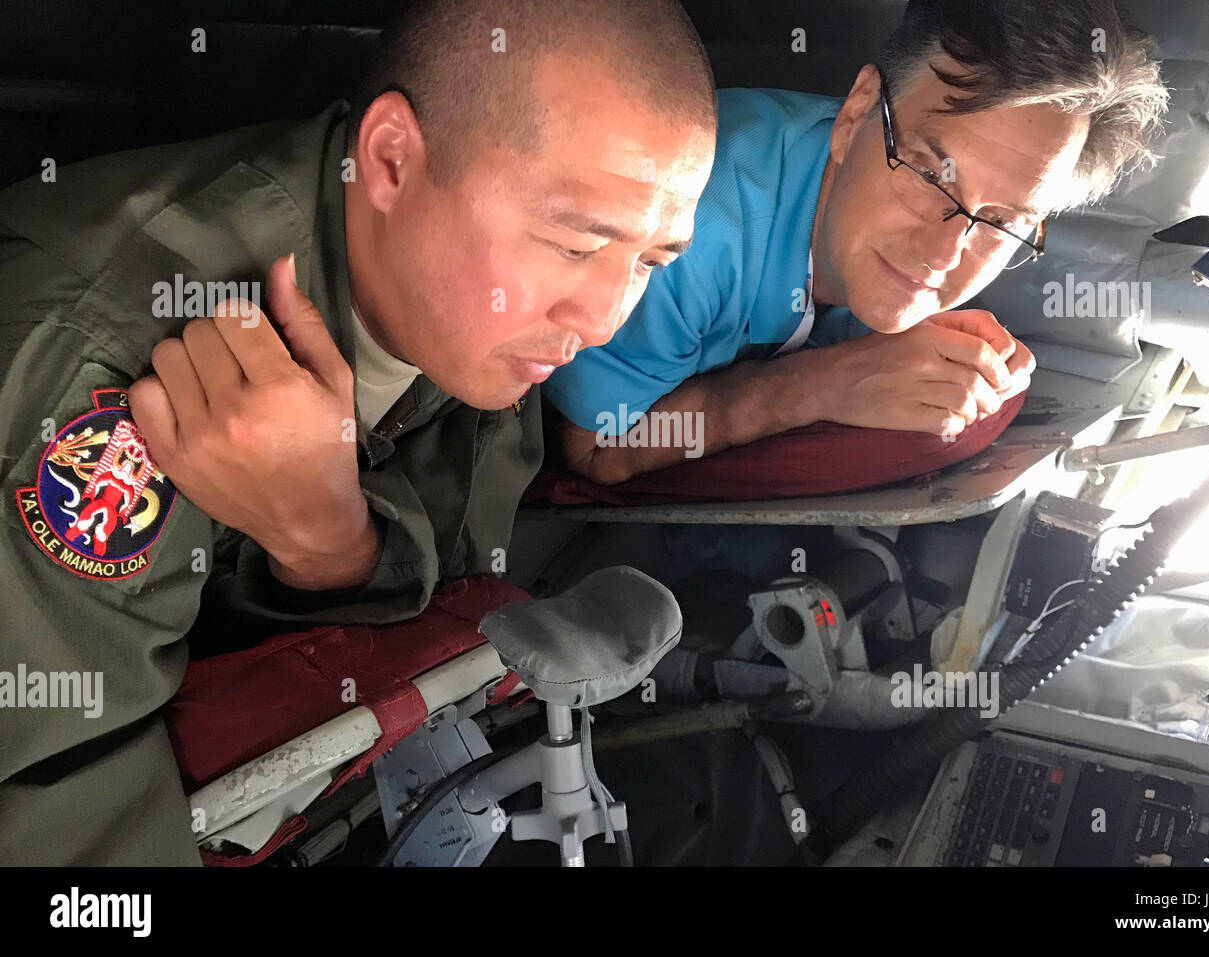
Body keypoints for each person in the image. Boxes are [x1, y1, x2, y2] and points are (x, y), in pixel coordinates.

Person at [0, 0, 715, 864]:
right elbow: (60, 817)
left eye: (647, 261)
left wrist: (330, 543)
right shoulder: (115, 371)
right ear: (390, 159)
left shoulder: (479, 321)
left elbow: (443, 609)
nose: (603, 317)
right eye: (572, 245)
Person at [545, 0, 1169, 485]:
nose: (943, 254)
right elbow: (597, 445)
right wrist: (820, 386)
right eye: (930, 175)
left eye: (1002, 220)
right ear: (855, 113)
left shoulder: (911, 240)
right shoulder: (692, 225)